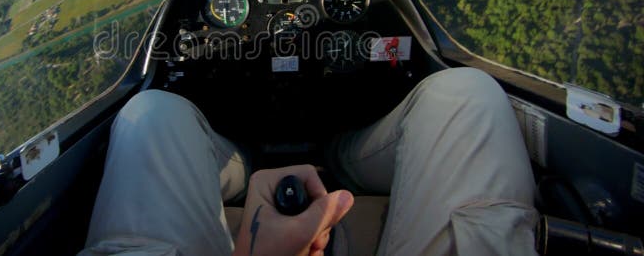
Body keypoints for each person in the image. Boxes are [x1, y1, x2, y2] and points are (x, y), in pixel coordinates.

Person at [81, 68, 538, 256]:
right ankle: (338, 158)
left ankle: (249, 163)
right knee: (466, 94)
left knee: (152, 115)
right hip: (342, 160)